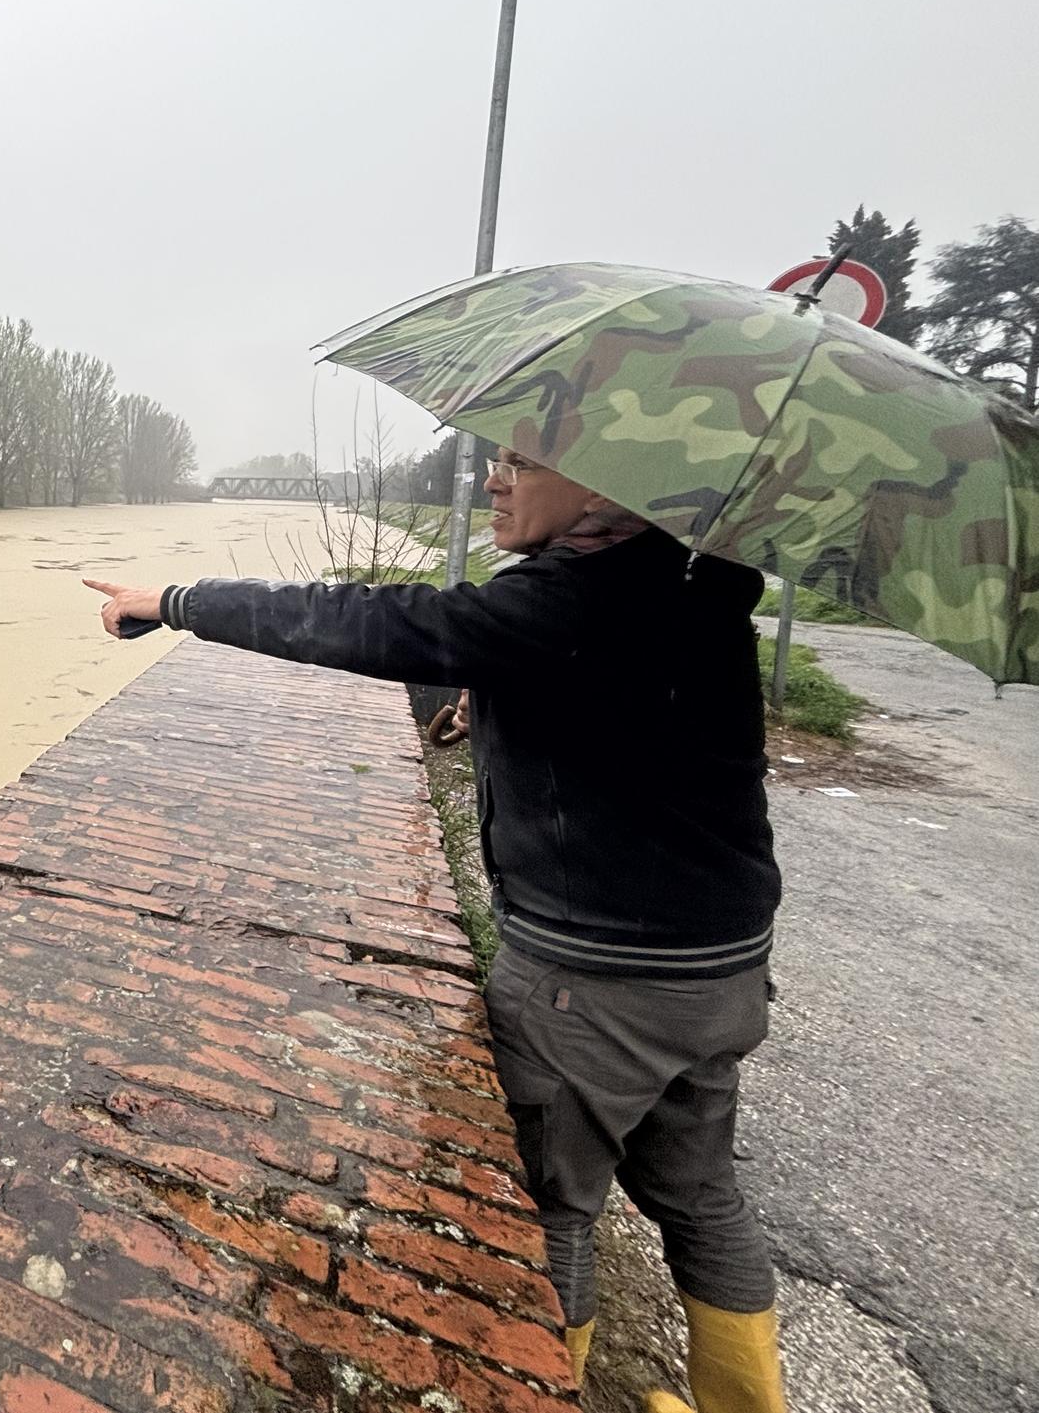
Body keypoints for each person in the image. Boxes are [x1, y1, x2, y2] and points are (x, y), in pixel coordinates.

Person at [85, 448, 787, 1413]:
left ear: (603, 483)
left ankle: (545, 1389)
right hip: (720, 973)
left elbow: (366, 621)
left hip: (598, 983)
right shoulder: (691, 582)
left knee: (549, 1209)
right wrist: (486, 696)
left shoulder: (565, 601)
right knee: (701, 1197)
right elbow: (625, 716)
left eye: (520, 461)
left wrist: (173, 598)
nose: (493, 478)